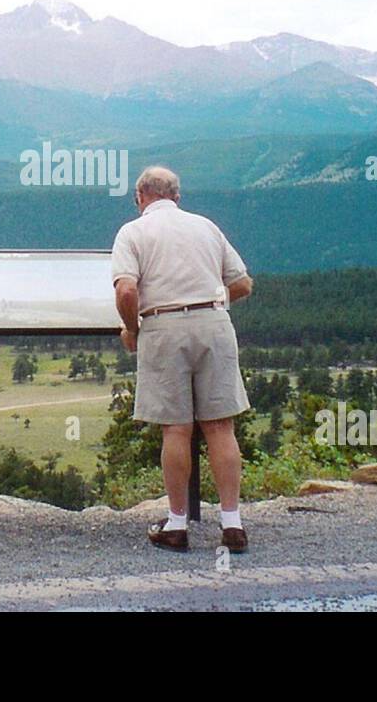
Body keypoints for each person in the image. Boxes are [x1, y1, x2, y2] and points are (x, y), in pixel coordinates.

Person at [111, 165, 255, 553]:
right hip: (214, 323)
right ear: (177, 196)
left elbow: (126, 291)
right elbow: (243, 283)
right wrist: (214, 301)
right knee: (220, 427)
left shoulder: (132, 232)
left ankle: (176, 524)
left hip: (163, 325)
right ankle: (232, 524)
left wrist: (132, 329)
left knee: (176, 429)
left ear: (140, 197)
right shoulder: (206, 227)